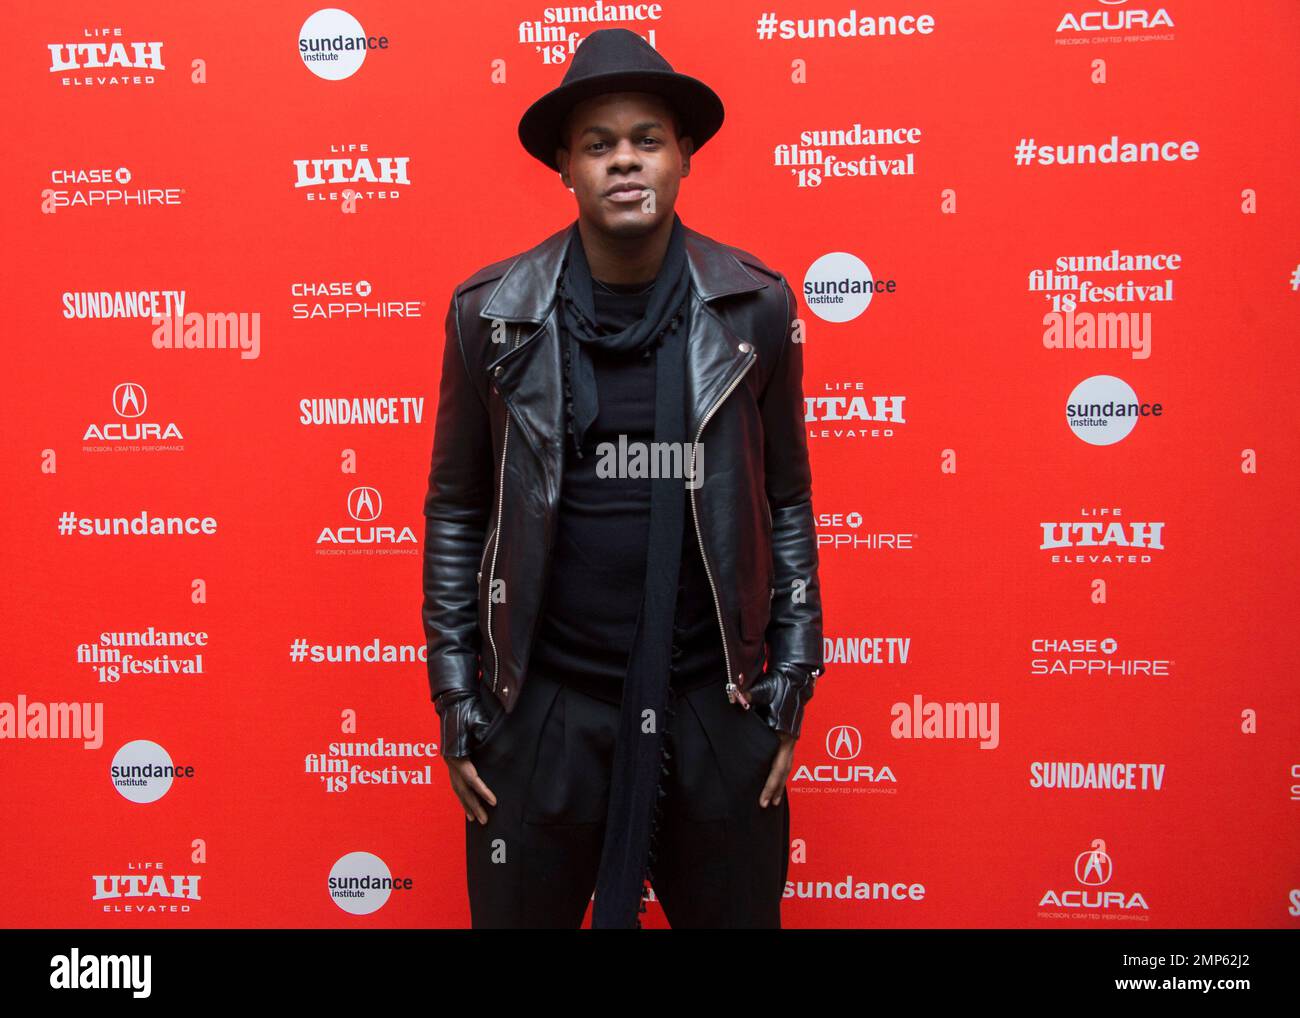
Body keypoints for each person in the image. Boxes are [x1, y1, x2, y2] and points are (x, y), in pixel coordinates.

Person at [420, 27, 824, 928]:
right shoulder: (491, 314)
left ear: (684, 155)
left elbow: (785, 498)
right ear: (565, 165)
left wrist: (790, 678)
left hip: (711, 703)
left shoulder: (754, 303)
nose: (625, 162)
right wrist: (457, 693)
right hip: (543, 711)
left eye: (647, 139)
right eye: (599, 145)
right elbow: (457, 510)